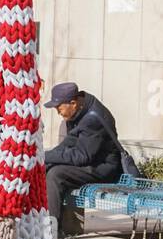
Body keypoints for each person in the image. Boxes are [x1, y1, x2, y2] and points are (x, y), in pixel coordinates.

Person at [42, 82, 123, 225]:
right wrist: (44, 158)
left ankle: (50, 228)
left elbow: (81, 156)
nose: (58, 113)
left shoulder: (92, 119)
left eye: (59, 108)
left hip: (103, 168)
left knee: (56, 174)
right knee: (45, 167)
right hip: (89, 162)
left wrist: (44, 157)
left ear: (72, 103)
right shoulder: (79, 111)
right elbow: (68, 144)